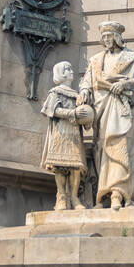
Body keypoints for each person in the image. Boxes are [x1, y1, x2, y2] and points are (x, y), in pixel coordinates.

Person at [79, 21, 134, 209]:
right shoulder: (95, 60)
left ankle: (118, 193)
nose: (105, 40)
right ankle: (102, 194)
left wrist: (124, 85)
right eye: (103, 37)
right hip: (101, 110)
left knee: (120, 146)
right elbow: (87, 80)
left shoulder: (132, 58)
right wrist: (85, 90)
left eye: (108, 36)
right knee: (102, 150)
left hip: (122, 110)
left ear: (117, 38)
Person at [40, 61, 91, 211]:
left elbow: (85, 115)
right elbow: (52, 110)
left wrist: (87, 117)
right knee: (60, 167)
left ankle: (74, 198)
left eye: (71, 68)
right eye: (67, 69)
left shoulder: (77, 95)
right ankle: (61, 196)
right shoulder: (55, 92)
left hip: (74, 133)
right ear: (60, 73)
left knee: (76, 166)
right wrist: (72, 113)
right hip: (60, 132)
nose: (71, 71)